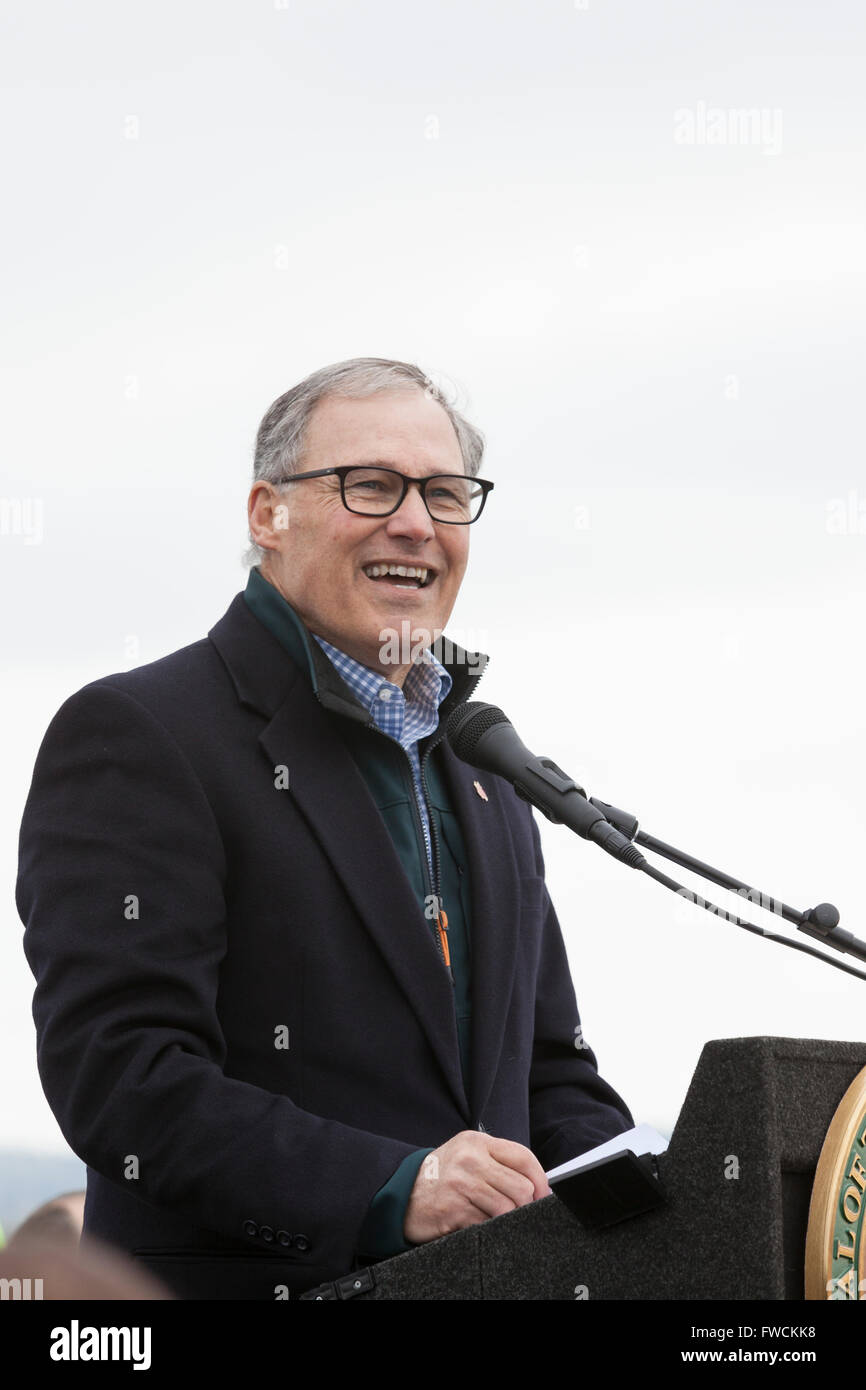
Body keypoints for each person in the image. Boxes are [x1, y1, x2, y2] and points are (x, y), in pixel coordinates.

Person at [16, 357, 632, 1300]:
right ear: (268, 513)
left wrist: (645, 1195)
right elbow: (124, 1078)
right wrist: (393, 1188)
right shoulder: (143, 735)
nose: (416, 523)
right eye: (371, 486)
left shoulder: (488, 768)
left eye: (445, 492)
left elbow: (550, 1078)